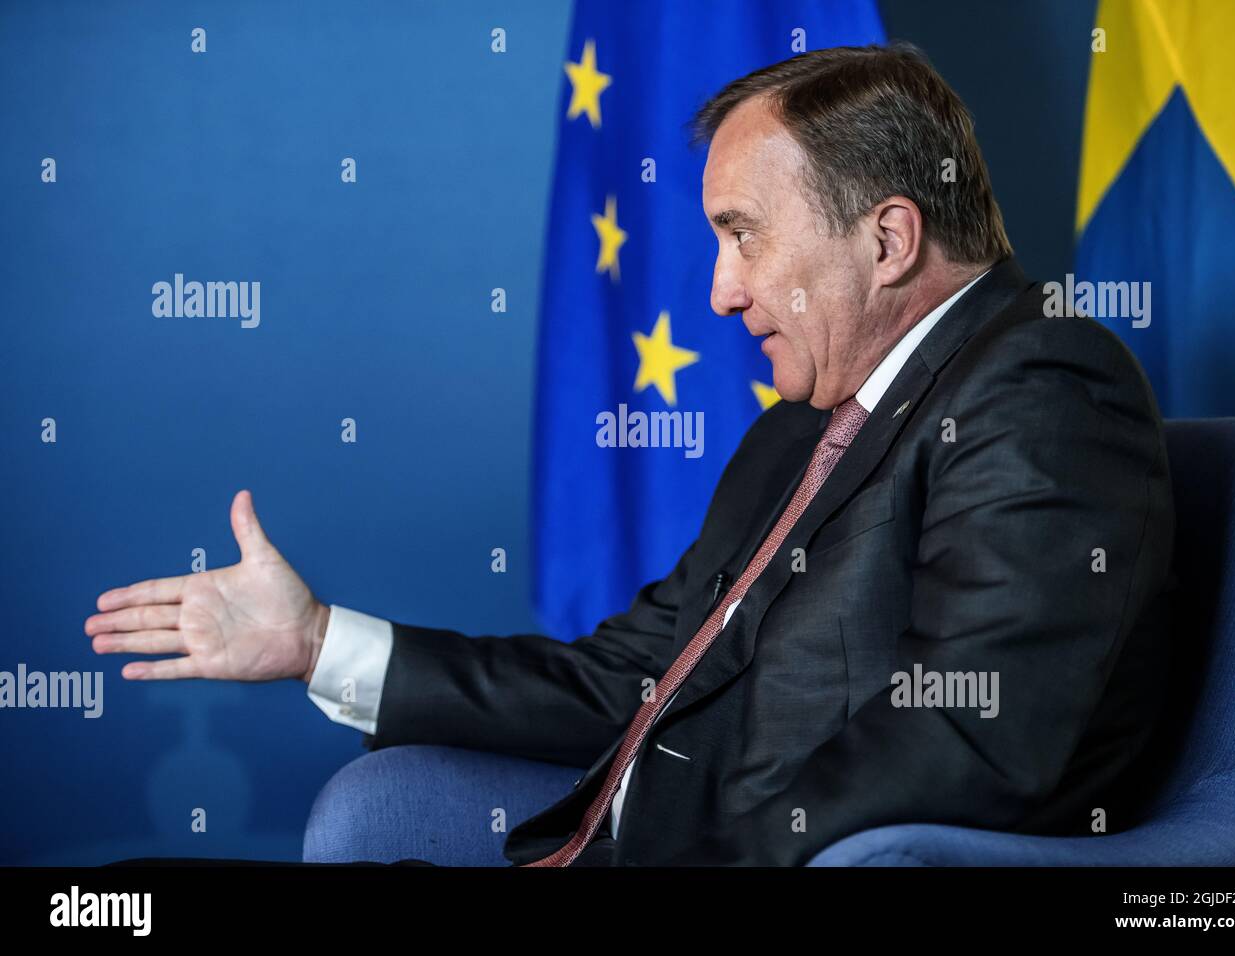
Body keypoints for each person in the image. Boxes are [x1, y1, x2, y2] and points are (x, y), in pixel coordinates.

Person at [85, 44, 1175, 867]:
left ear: (886, 239)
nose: (720, 290)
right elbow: (635, 674)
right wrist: (321, 641)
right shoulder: (798, 427)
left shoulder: (1043, 389)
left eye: (742, 232)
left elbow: (963, 739)